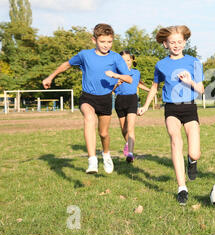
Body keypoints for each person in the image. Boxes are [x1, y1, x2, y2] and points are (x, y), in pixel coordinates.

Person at [42, 23, 132, 174]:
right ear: (94, 40)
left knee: (103, 133)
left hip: (105, 98)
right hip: (87, 97)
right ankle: (92, 161)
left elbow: (128, 78)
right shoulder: (85, 55)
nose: (106, 45)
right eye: (102, 42)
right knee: (89, 118)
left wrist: (115, 75)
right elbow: (67, 64)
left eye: (109, 42)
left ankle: (106, 154)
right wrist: (51, 76)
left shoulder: (116, 57)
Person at [138, 25, 204, 205]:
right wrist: (145, 106)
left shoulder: (194, 62)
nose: (176, 45)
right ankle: (182, 188)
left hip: (190, 108)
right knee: (176, 141)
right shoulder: (161, 65)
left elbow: (201, 90)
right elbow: (154, 87)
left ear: (185, 42)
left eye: (180, 42)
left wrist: (190, 81)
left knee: (195, 152)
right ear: (165, 44)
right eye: (172, 42)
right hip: (171, 109)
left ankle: (192, 160)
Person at [113, 50, 151, 163]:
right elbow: (110, 90)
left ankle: (130, 153)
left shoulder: (136, 72)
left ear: (132, 60)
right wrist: (116, 84)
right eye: (123, 61)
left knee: (130, 128)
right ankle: (127, 143)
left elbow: (137, 84)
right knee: (124, 130)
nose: (126, 63)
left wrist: (151, 91)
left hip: (132, 100)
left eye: (128, 60)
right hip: (119, 101)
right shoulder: (115, 73)